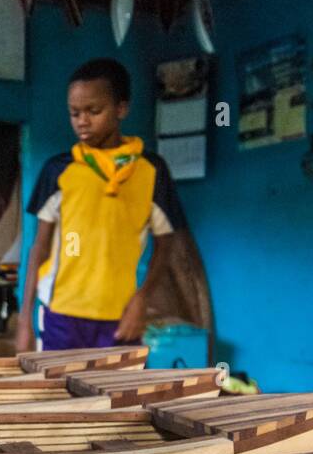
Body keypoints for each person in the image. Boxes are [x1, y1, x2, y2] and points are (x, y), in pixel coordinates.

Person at [15, 58, 190, 352]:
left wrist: (142, 298)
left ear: (121, 109)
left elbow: (166, 242)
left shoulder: (150, 171)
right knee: (62, 395)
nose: (82, 121)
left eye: (94, 111)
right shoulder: (59, 171)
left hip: (121, 317)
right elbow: (39, 249)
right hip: (62, 314)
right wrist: (24, 322)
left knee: (119, 396)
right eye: (75, 113)